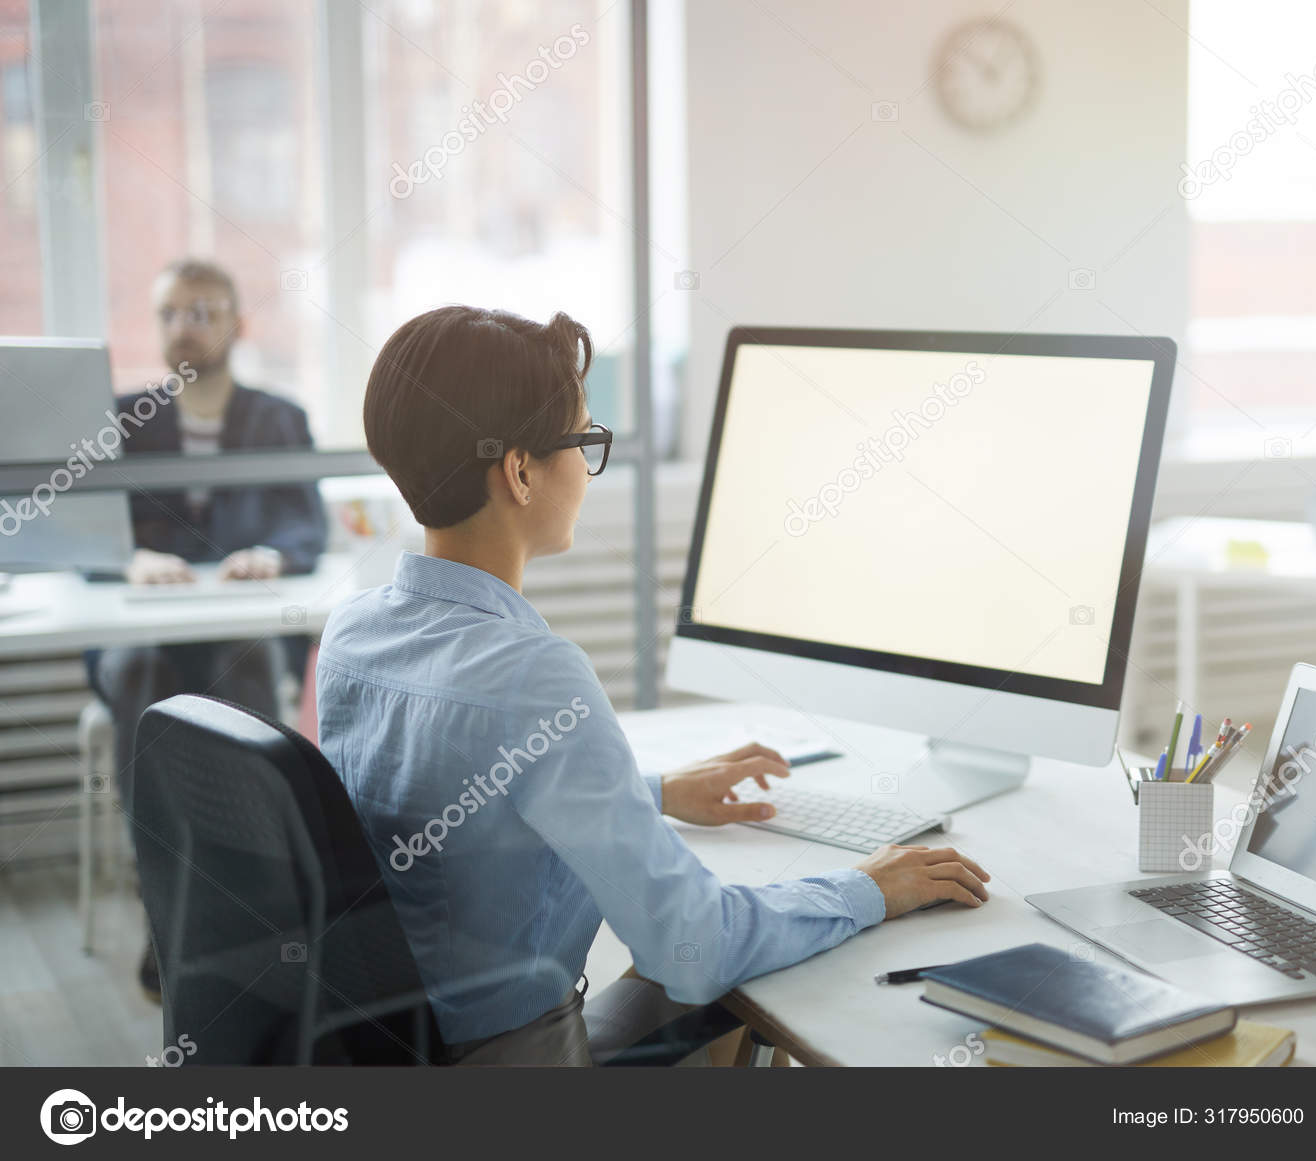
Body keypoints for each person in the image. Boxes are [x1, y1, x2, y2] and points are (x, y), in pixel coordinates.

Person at [317, 305, 991, 1065]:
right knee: (748, 964)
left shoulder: (354, 633)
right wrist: (870, 886)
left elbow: (458, 791)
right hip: (519, 1061)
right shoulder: (536, 676)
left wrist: (655, 791)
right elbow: (693, 942)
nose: (586, 465)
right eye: (583, 440)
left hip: (408, 1048)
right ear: (520, 470)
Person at [86, 259, 327, 1000]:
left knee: (244, 670)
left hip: (236, 632)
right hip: (146, 636)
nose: (184, 326)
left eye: (202, 311)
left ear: (237, 324)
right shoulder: (120, 417)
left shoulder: (280, 417)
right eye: (169, 313)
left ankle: (245, 910)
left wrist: (272, 553)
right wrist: (129, 559)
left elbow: (305, 522)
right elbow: (83, 529)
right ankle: (168, 916)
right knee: (139, 677)